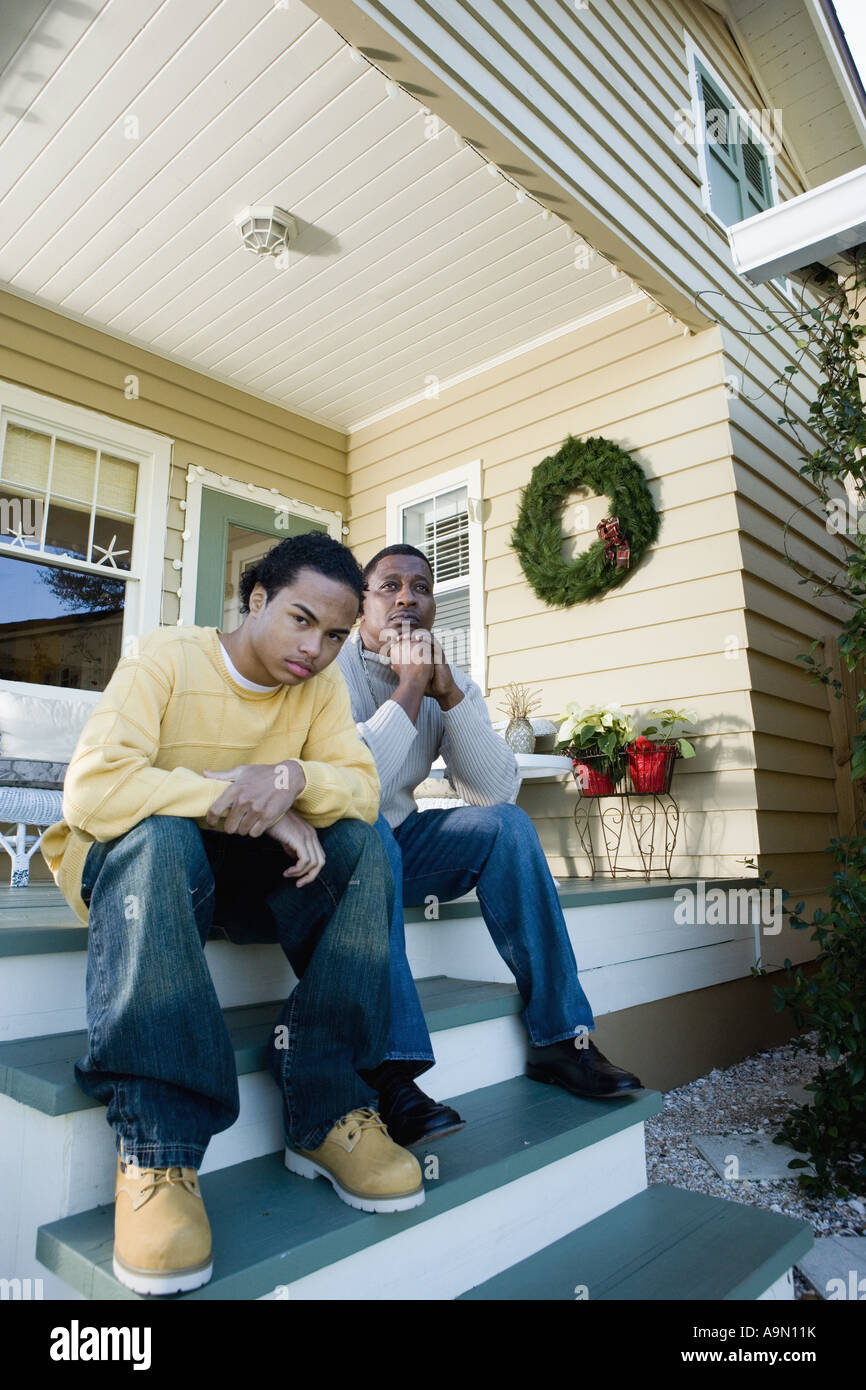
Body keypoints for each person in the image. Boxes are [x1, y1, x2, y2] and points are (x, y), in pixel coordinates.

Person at [41, 533, 423, 1298]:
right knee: (157, 836)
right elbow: (93, 792)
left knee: (363, 846)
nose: (315, 650)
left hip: (236, 883)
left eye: (336, 636)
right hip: (145, 875)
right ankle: (159, 1149)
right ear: (257, 600)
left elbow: (358, 790)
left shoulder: (313, 691)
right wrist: (232, 796)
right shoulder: (167, 657)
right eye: (301, 620)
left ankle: (329, 1108)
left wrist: (286, 776)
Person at [334, 543, 643, 1147]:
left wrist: (446, 696)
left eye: (421, 587)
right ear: (360, 606)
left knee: (505, 825)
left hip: (401, 845)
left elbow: (497, 789)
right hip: (345, 847)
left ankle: (561, 1042)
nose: (406, 598)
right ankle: (391, 1076)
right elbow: (352, 789)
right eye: (389, 586)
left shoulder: (451, 680)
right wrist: (409, 687)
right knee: (369, 832)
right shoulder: (331, 667)